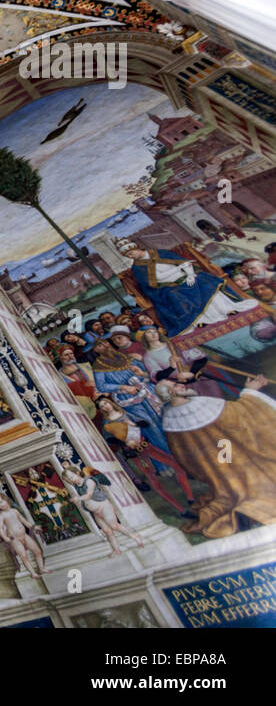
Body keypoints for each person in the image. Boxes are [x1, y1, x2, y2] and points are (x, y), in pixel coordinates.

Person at [157, 375, 276, 537]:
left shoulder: (170, 419)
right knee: (263, 479)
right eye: (177, 385)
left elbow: (184, 458)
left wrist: (213, 468)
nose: (182, 385)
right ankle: (248, 510)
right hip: (233, 460)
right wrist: (250, 391)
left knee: (231, 486)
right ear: (171, 392)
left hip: (217, 469)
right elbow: (237, 418)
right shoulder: (201, 406)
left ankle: (242, 509)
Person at [117, 237, 258, 337]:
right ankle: (200, 321)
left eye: (131, 252)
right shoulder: (137, 267)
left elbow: (185, 263)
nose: (131, 255)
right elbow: (154, 282)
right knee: (174, 295)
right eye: (128, 255)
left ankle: (227, 309)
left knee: (204, 281)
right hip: (164, 287)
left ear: (136, 247)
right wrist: (177, 272)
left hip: (187, 275)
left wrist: (190, 275)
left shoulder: (158, 252)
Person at [60, 465, 144, 556]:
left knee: (114, 526)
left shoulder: (89, 481)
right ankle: (116, 550)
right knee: (107, 531)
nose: (72, 480)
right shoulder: (76, 485)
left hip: (104, 507)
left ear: (77, 473)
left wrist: (78, 498)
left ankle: (135, 537)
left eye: (72, 477)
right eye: (69, 480)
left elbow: (89, 495)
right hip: (95, 512)